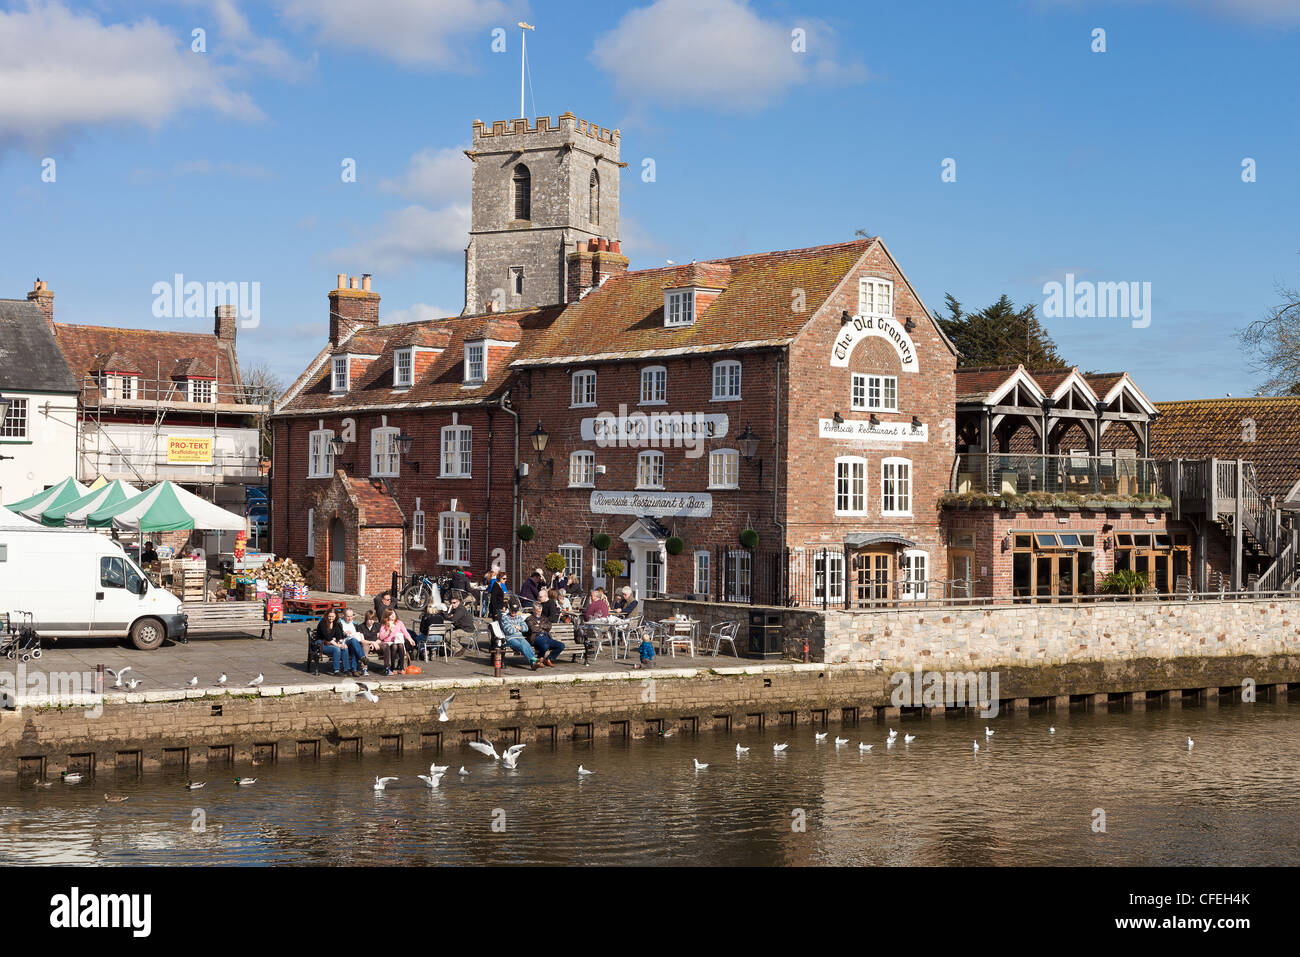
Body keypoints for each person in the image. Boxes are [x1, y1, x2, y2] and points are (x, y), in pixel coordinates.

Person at [314, 607, 364, 677]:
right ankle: (336, 670)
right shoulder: (322, 623)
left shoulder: (336, 624)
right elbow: (327, 637)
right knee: (336, 649)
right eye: (329, 616)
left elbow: (339, 636)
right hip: (322, 643)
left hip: (332, 643)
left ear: (335, 616)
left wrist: (342, 644)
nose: (331, 618)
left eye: (333, 616)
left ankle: (346, 669)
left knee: (344, 648)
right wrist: (337, 645)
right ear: (326, 615)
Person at [499, 599, 541, 670]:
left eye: (515, 611)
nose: (514, 612)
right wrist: (519, 628)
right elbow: (509, 630)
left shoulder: (519, 617)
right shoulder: (504, 618)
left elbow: (526, 628)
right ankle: (534, 660)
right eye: (512, 610)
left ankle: (533, 664)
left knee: (527, 645)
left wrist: (518, 627)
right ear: (509, 609)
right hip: (510, 638)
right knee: (521, 645)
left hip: (520, 637)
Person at [377, 609, 416, 675]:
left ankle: (401, 667)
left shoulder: (399, 622)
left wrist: (410, 639)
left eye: (393, 613)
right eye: (390, 614)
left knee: (400, 645)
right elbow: (381, 637)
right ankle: (393, 667)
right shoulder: (384, 624)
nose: (393, 615)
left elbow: (405, 632)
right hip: (389, 642)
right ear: (387, 616)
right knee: (394, 646)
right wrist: (389, 631)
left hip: (398, 641)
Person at [527, 602, 564, 667]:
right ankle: (540, 659)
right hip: (536, 637)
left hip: (546, 637)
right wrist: (543, 627)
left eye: (540, 611)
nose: (539, 612)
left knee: (561, 645)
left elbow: (549, 626)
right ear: (533, 610)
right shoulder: (529, 619)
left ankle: (548, 659)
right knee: (545, 646)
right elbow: (533, 629)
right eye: (537, 611)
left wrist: (539, 626)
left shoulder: (544, 618)